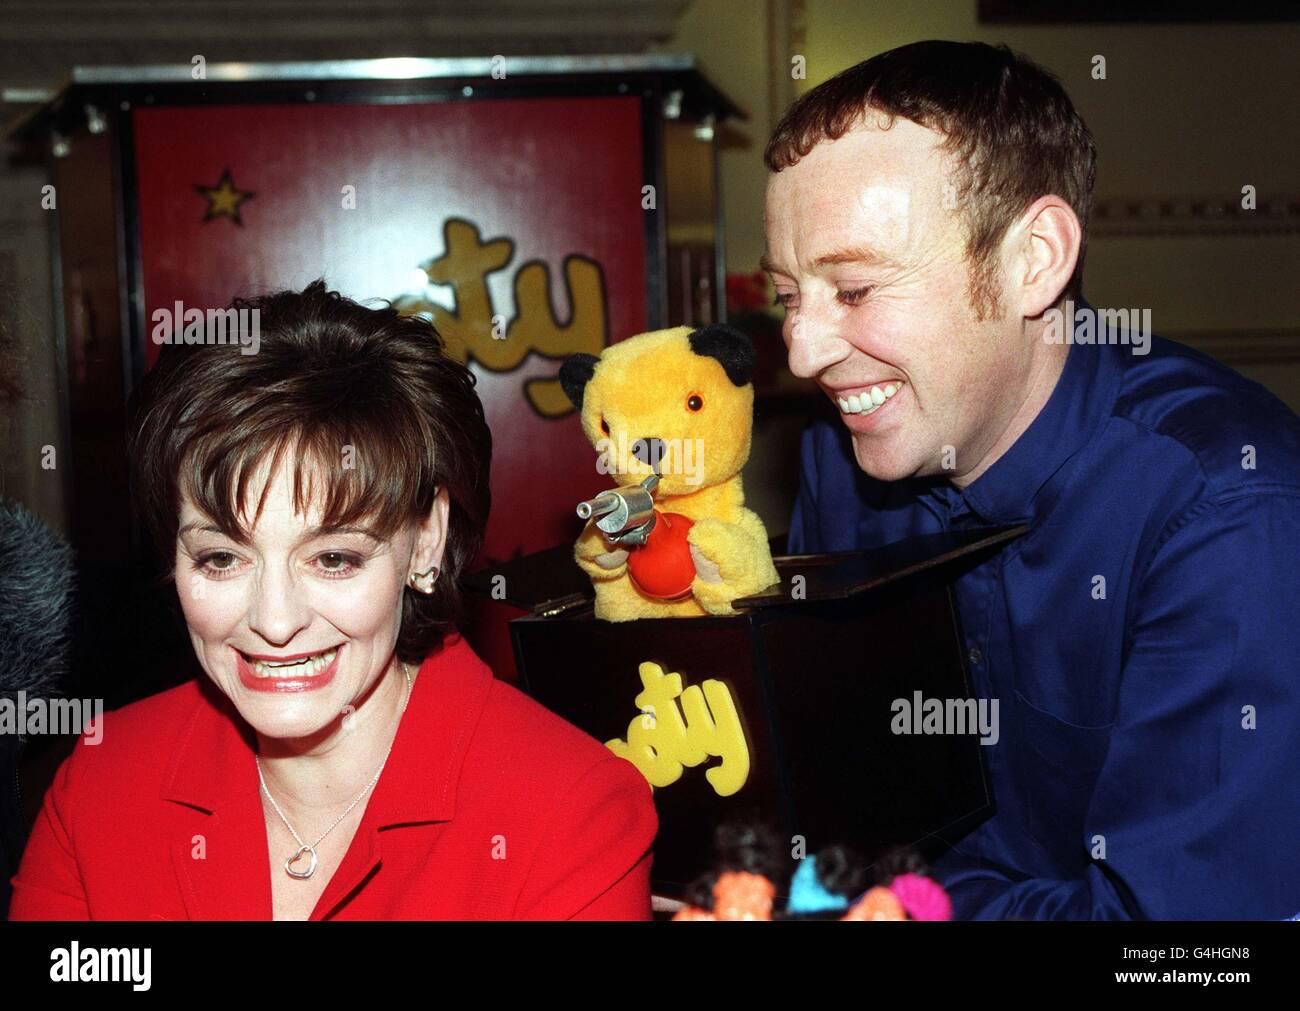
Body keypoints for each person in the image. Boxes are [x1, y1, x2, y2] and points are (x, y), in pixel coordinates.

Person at [763, 40, 1300, 919]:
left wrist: (906, 900)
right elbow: (834, 797)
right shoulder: (842, 459)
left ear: (1035, 259)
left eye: (854, 289)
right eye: (789, 295)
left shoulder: (1231, 512)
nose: (803, 351)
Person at [8, 281, 657, 920]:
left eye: (333, 558)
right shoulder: (102, 778)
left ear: (426, 538)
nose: (275, 620)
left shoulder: (570, 812)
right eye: (222, 557)